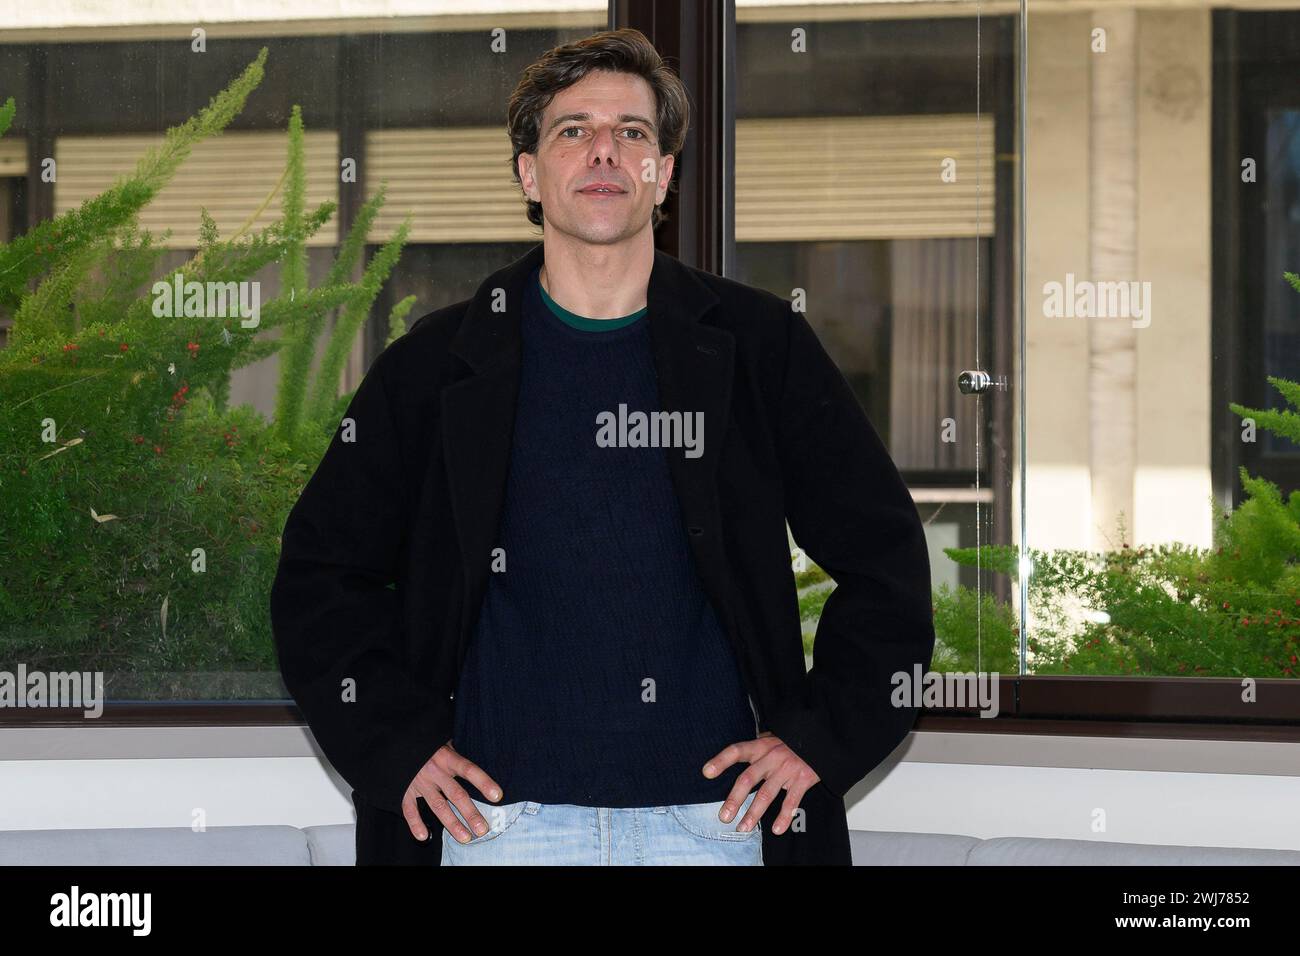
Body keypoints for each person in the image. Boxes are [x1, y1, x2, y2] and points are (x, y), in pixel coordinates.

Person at [270, 27, 935, 866]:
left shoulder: (761, 347)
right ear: (529, 172)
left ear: (663, 174)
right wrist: (394, 743)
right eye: (572, 130)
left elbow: (888, 565)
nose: (604, 152)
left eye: (633, 133)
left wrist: (819, 737)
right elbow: (320, 577)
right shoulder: (437, 366)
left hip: (718, 831)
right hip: (494, 833)